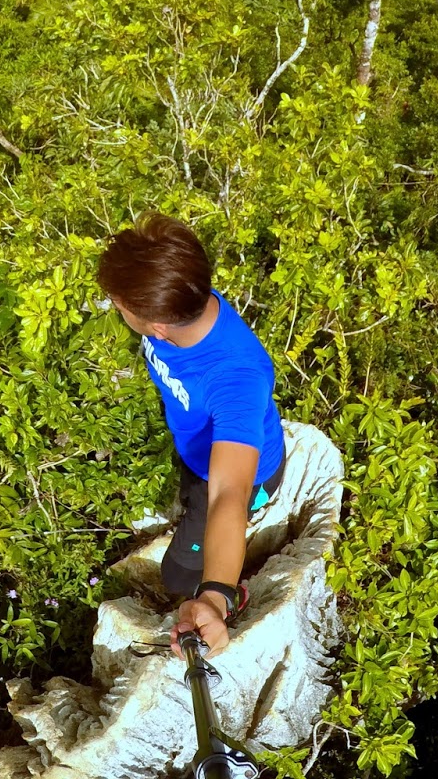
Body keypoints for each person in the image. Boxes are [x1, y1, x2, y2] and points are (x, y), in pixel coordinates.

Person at [97, 213, 287, 658]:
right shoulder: (185, 296)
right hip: (200, 455)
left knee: (180, 577)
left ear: (156, 326)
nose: (116, 310)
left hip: (241, 478)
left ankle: (237, 589)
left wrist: (214, 594)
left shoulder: (236, 377)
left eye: (119, 306)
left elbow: (228, 493)